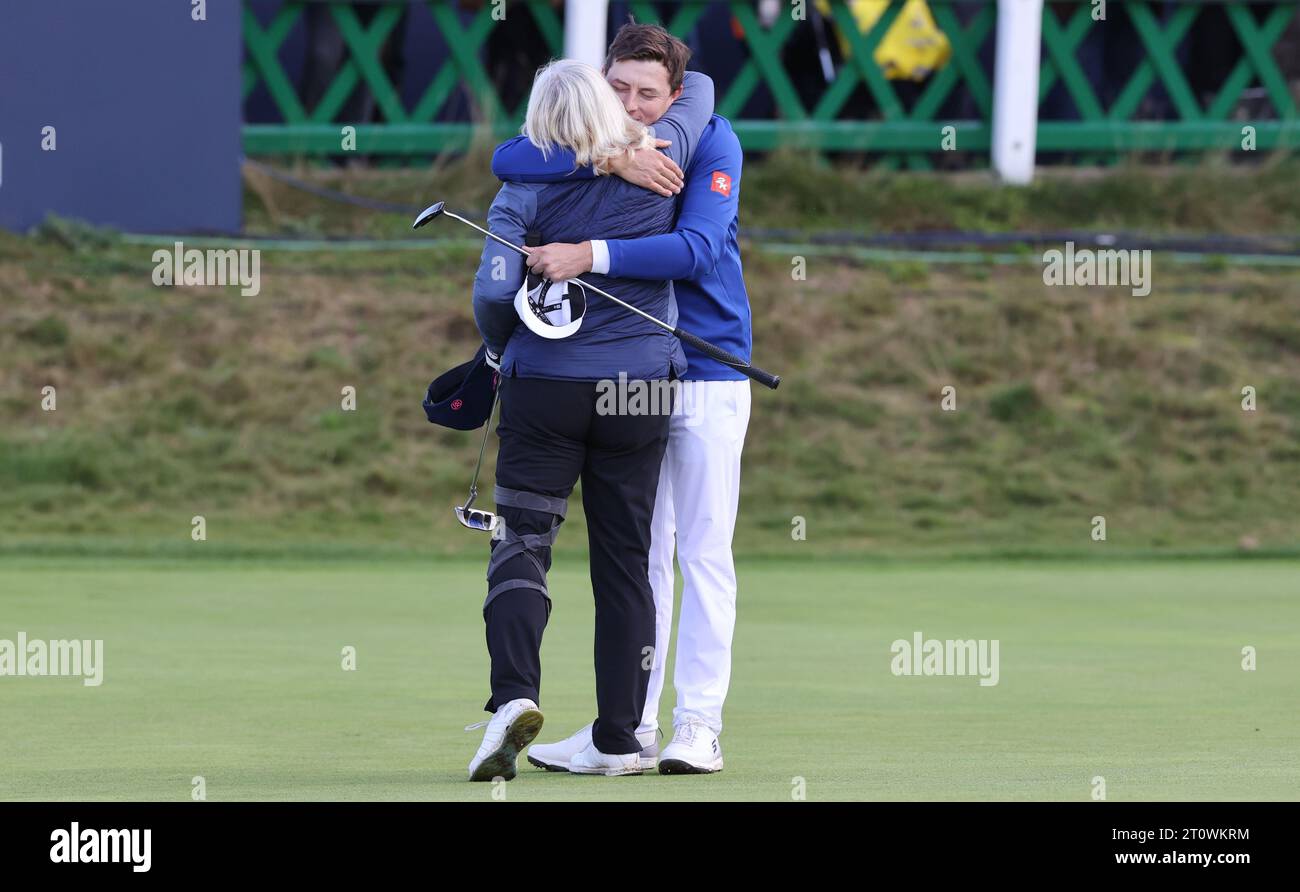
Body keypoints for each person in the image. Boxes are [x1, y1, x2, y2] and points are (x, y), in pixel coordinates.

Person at [493, 23, 752, 775]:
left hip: (707, 366)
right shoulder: (589, 140)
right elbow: (506, 156)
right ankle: (627, 730)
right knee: (642, 559)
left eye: (648, 95)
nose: (633, 106)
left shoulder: (710, 140)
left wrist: (589, 255)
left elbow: (698, 249)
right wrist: (611, 150)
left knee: (701, 548)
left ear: (676, 98)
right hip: (633, 374)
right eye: (619, 90)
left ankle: (698, 725)